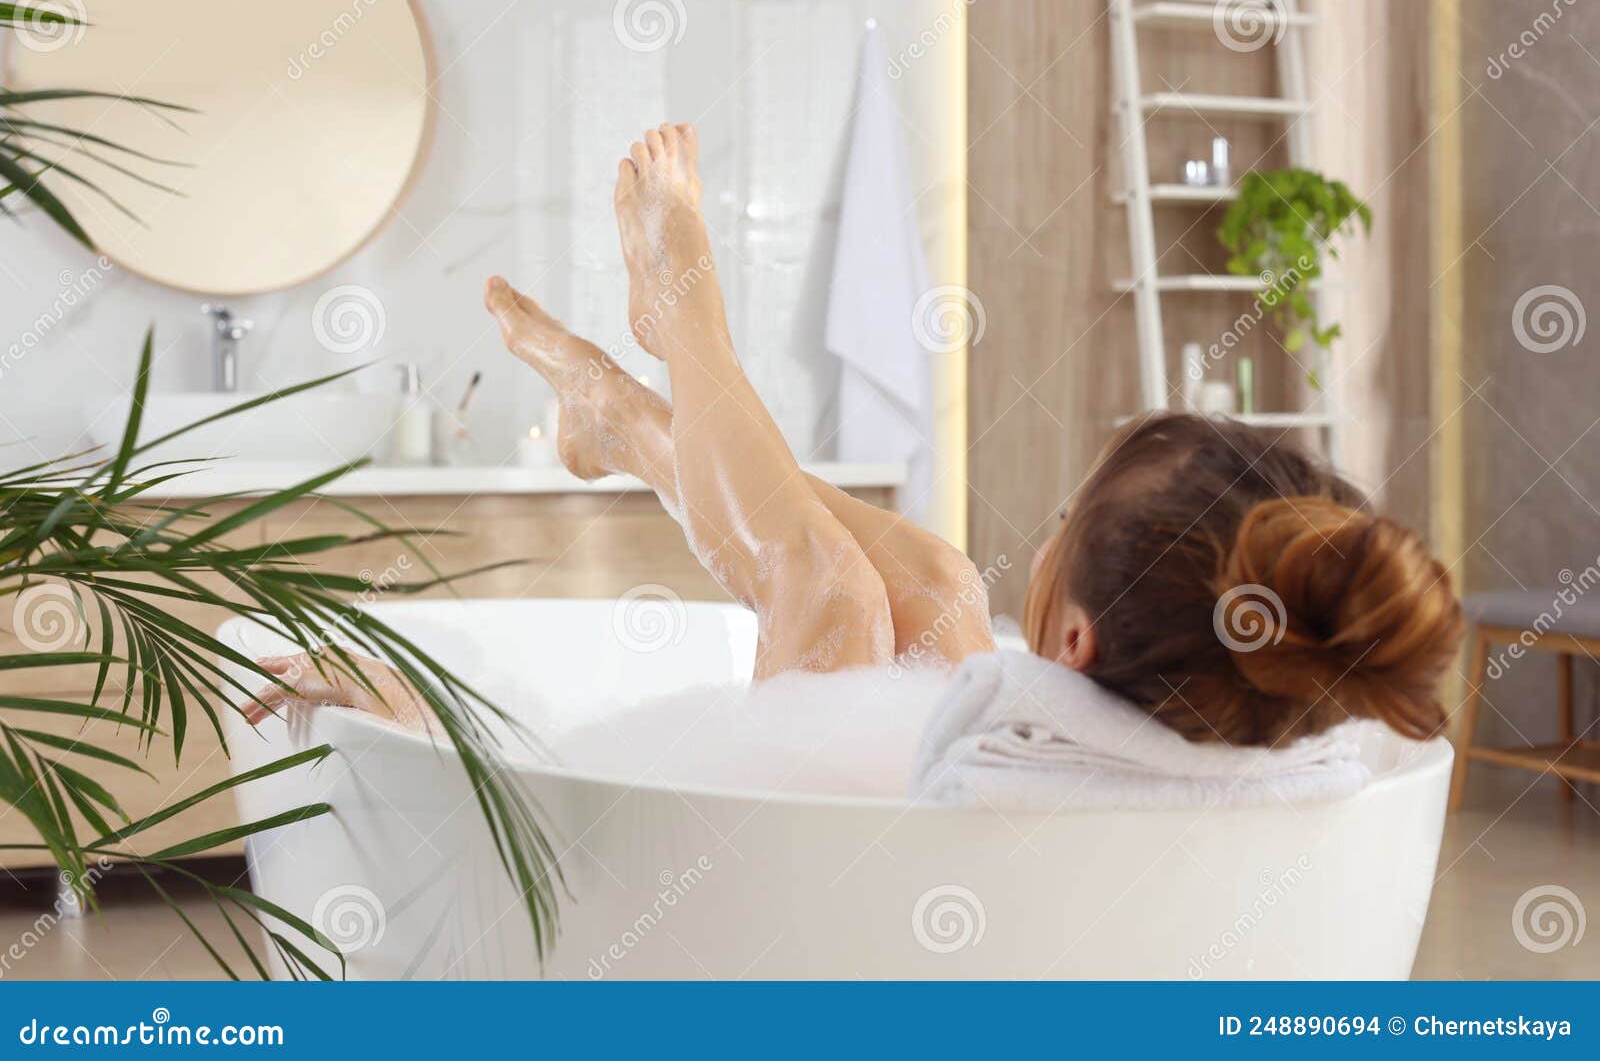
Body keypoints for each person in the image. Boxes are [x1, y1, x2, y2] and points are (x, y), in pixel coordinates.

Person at [253, 124, 1462, 750]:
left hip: (768, 927)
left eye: (1053, 536)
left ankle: (683, 328)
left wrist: (389, 698)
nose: (1029, 555)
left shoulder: (1029, 762)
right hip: (888, 836)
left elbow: (569, 784)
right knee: (934, 578)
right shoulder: (1229, 713)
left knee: (825, 581)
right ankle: (627, 415)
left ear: (1079, 635)